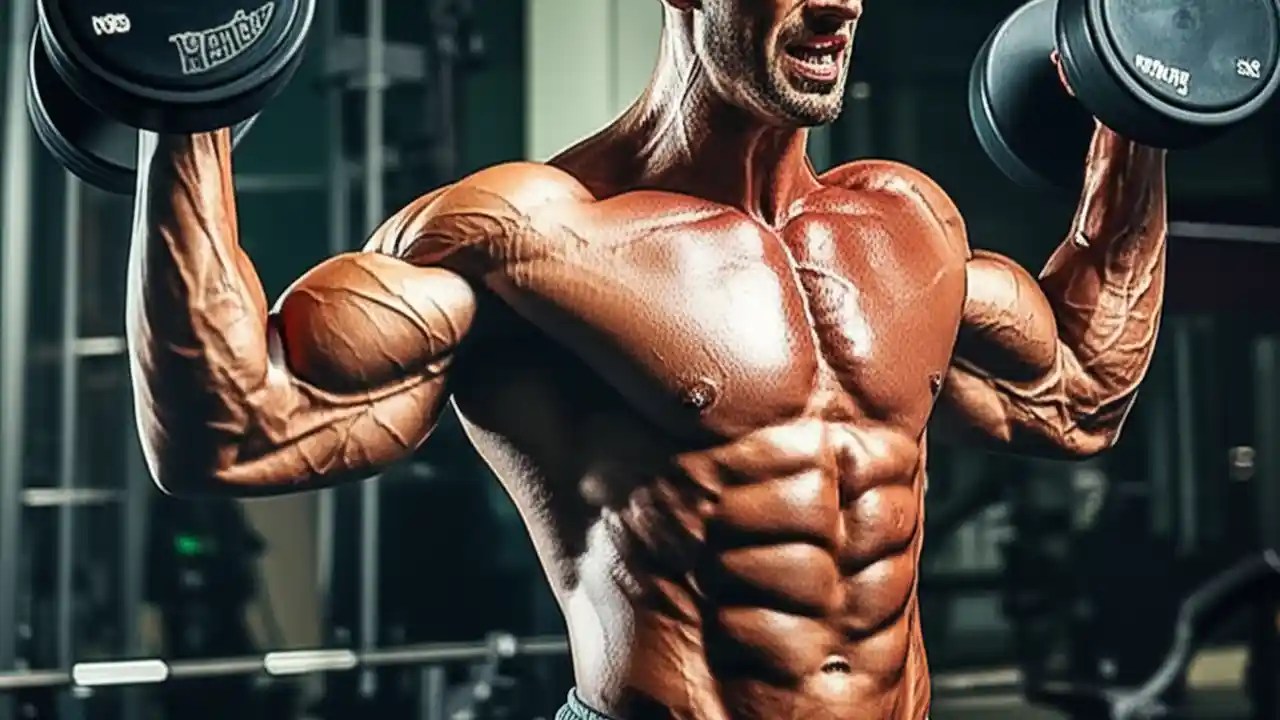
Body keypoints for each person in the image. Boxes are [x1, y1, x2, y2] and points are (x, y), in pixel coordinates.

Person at [125, 0, 1167, 717]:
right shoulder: (533, 234)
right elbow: (237, 427)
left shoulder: (904, 225)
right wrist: (189, 102)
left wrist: (1136, 115)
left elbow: (1079, 394)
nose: (836, 6)